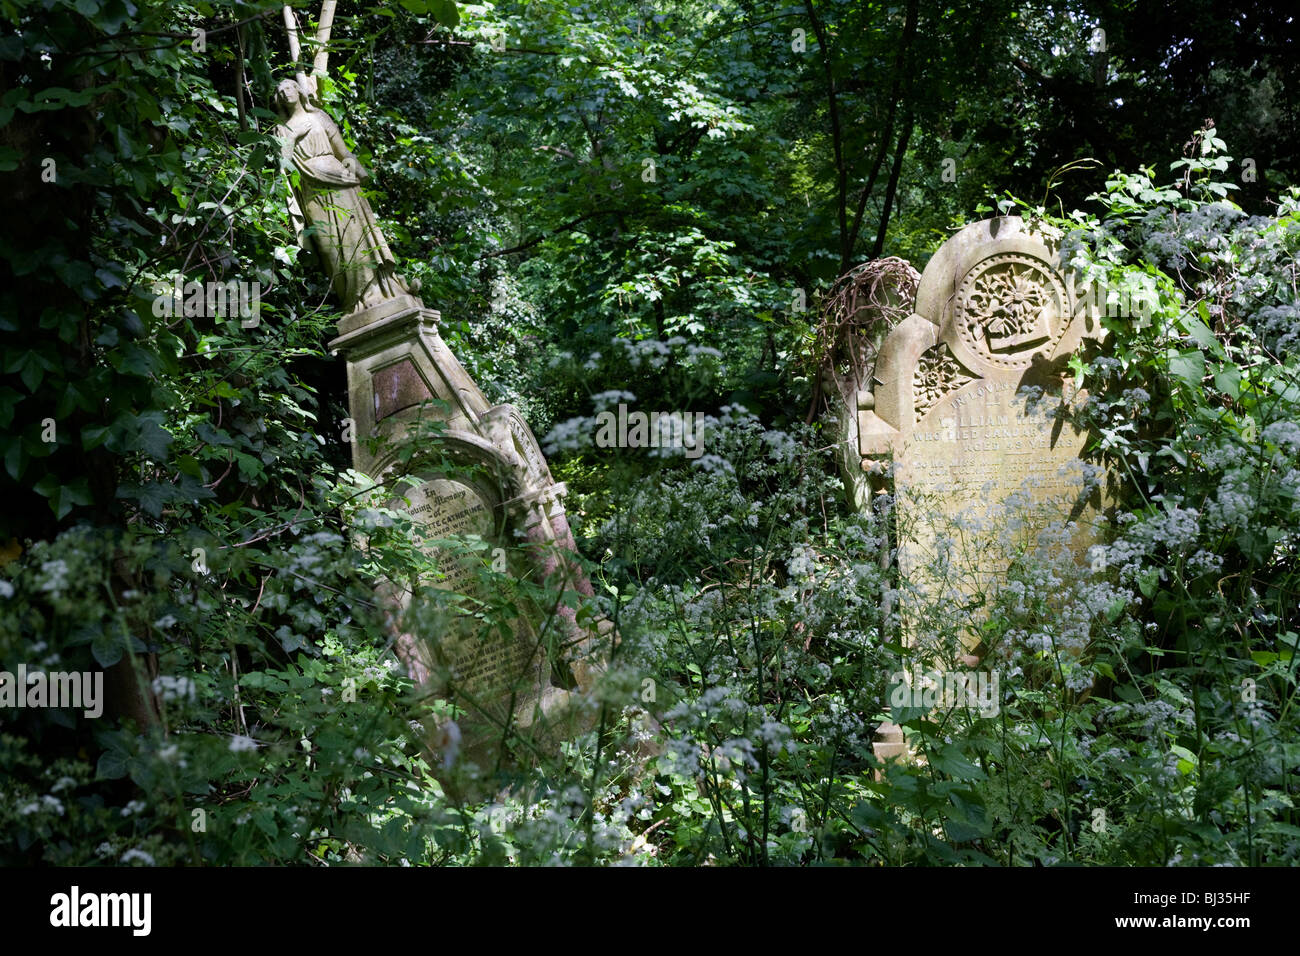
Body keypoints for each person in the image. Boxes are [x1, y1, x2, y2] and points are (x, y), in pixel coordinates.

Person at [273, 77, 416, 314]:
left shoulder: (319, 116)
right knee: (332, 247)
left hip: (342, 182)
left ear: (298, 90)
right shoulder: (283, 128)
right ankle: (353, 302)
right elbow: (284, 162)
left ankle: (381, 292)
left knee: (357, 239)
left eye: (289, 87)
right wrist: (295, 133)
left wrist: (352, 166)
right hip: (312, 190)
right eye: (280, 91)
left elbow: (344, 152)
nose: (285, 92)